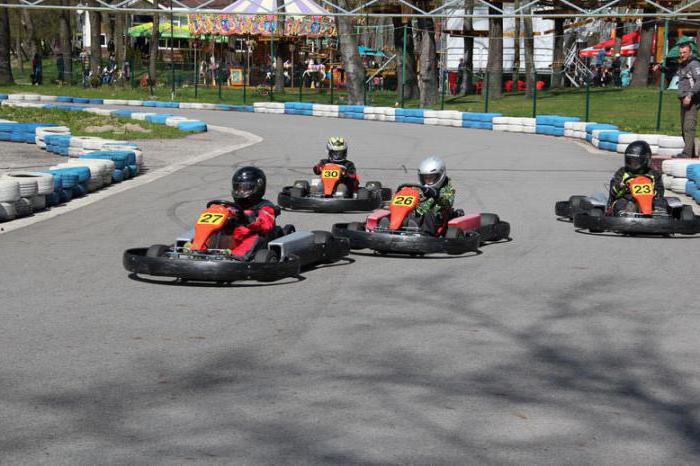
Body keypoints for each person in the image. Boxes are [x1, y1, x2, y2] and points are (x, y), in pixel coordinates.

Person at [227, 166, 278, 259]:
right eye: (238, 188)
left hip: (251, 236)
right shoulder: (232, 206)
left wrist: (249, 219)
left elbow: (266, 225)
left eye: (245, 188)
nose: (241, 192)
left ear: (258, 187)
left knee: (257, 237)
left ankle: (237, 257)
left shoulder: (265, 206)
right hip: (233, 237)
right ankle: (197, 249)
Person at [608, 141, 665, 214]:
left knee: (663, 202)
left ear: (645, 160)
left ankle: (659, 215)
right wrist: (620, 186)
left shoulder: (653, 174)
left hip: (650, 201)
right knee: (620, 204)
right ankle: (627, 214)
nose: (633, 164)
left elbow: (660, 191)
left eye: (636, 161)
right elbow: (613, 193)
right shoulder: (622, 172)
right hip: (627, 198)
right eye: (630, 161)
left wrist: (653, 191)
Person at [415, 156, 455, 235]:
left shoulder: (447, 188)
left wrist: (437, 195)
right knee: (406, 211)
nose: (427, 180)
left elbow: (447, 203)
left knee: (429, 214)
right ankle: (393, 228)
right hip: (419, 216)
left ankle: (426, 235)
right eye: (425, 177)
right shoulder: (420, 188)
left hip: (438, 218)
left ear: (440, 175)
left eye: (431, 177)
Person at [676, 43, 700, 158]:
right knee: (683, 127)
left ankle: (687, 153)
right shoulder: (683, 65)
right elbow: (675, 74)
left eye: (684, 52)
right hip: (683, 99)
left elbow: (699, 81)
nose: (682, 55)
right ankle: (691, 151)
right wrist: (661, 68)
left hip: (692, 99)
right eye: (680, 52)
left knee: (688, 126)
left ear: (690, 52)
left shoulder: (694, 64)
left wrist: (690, 95)